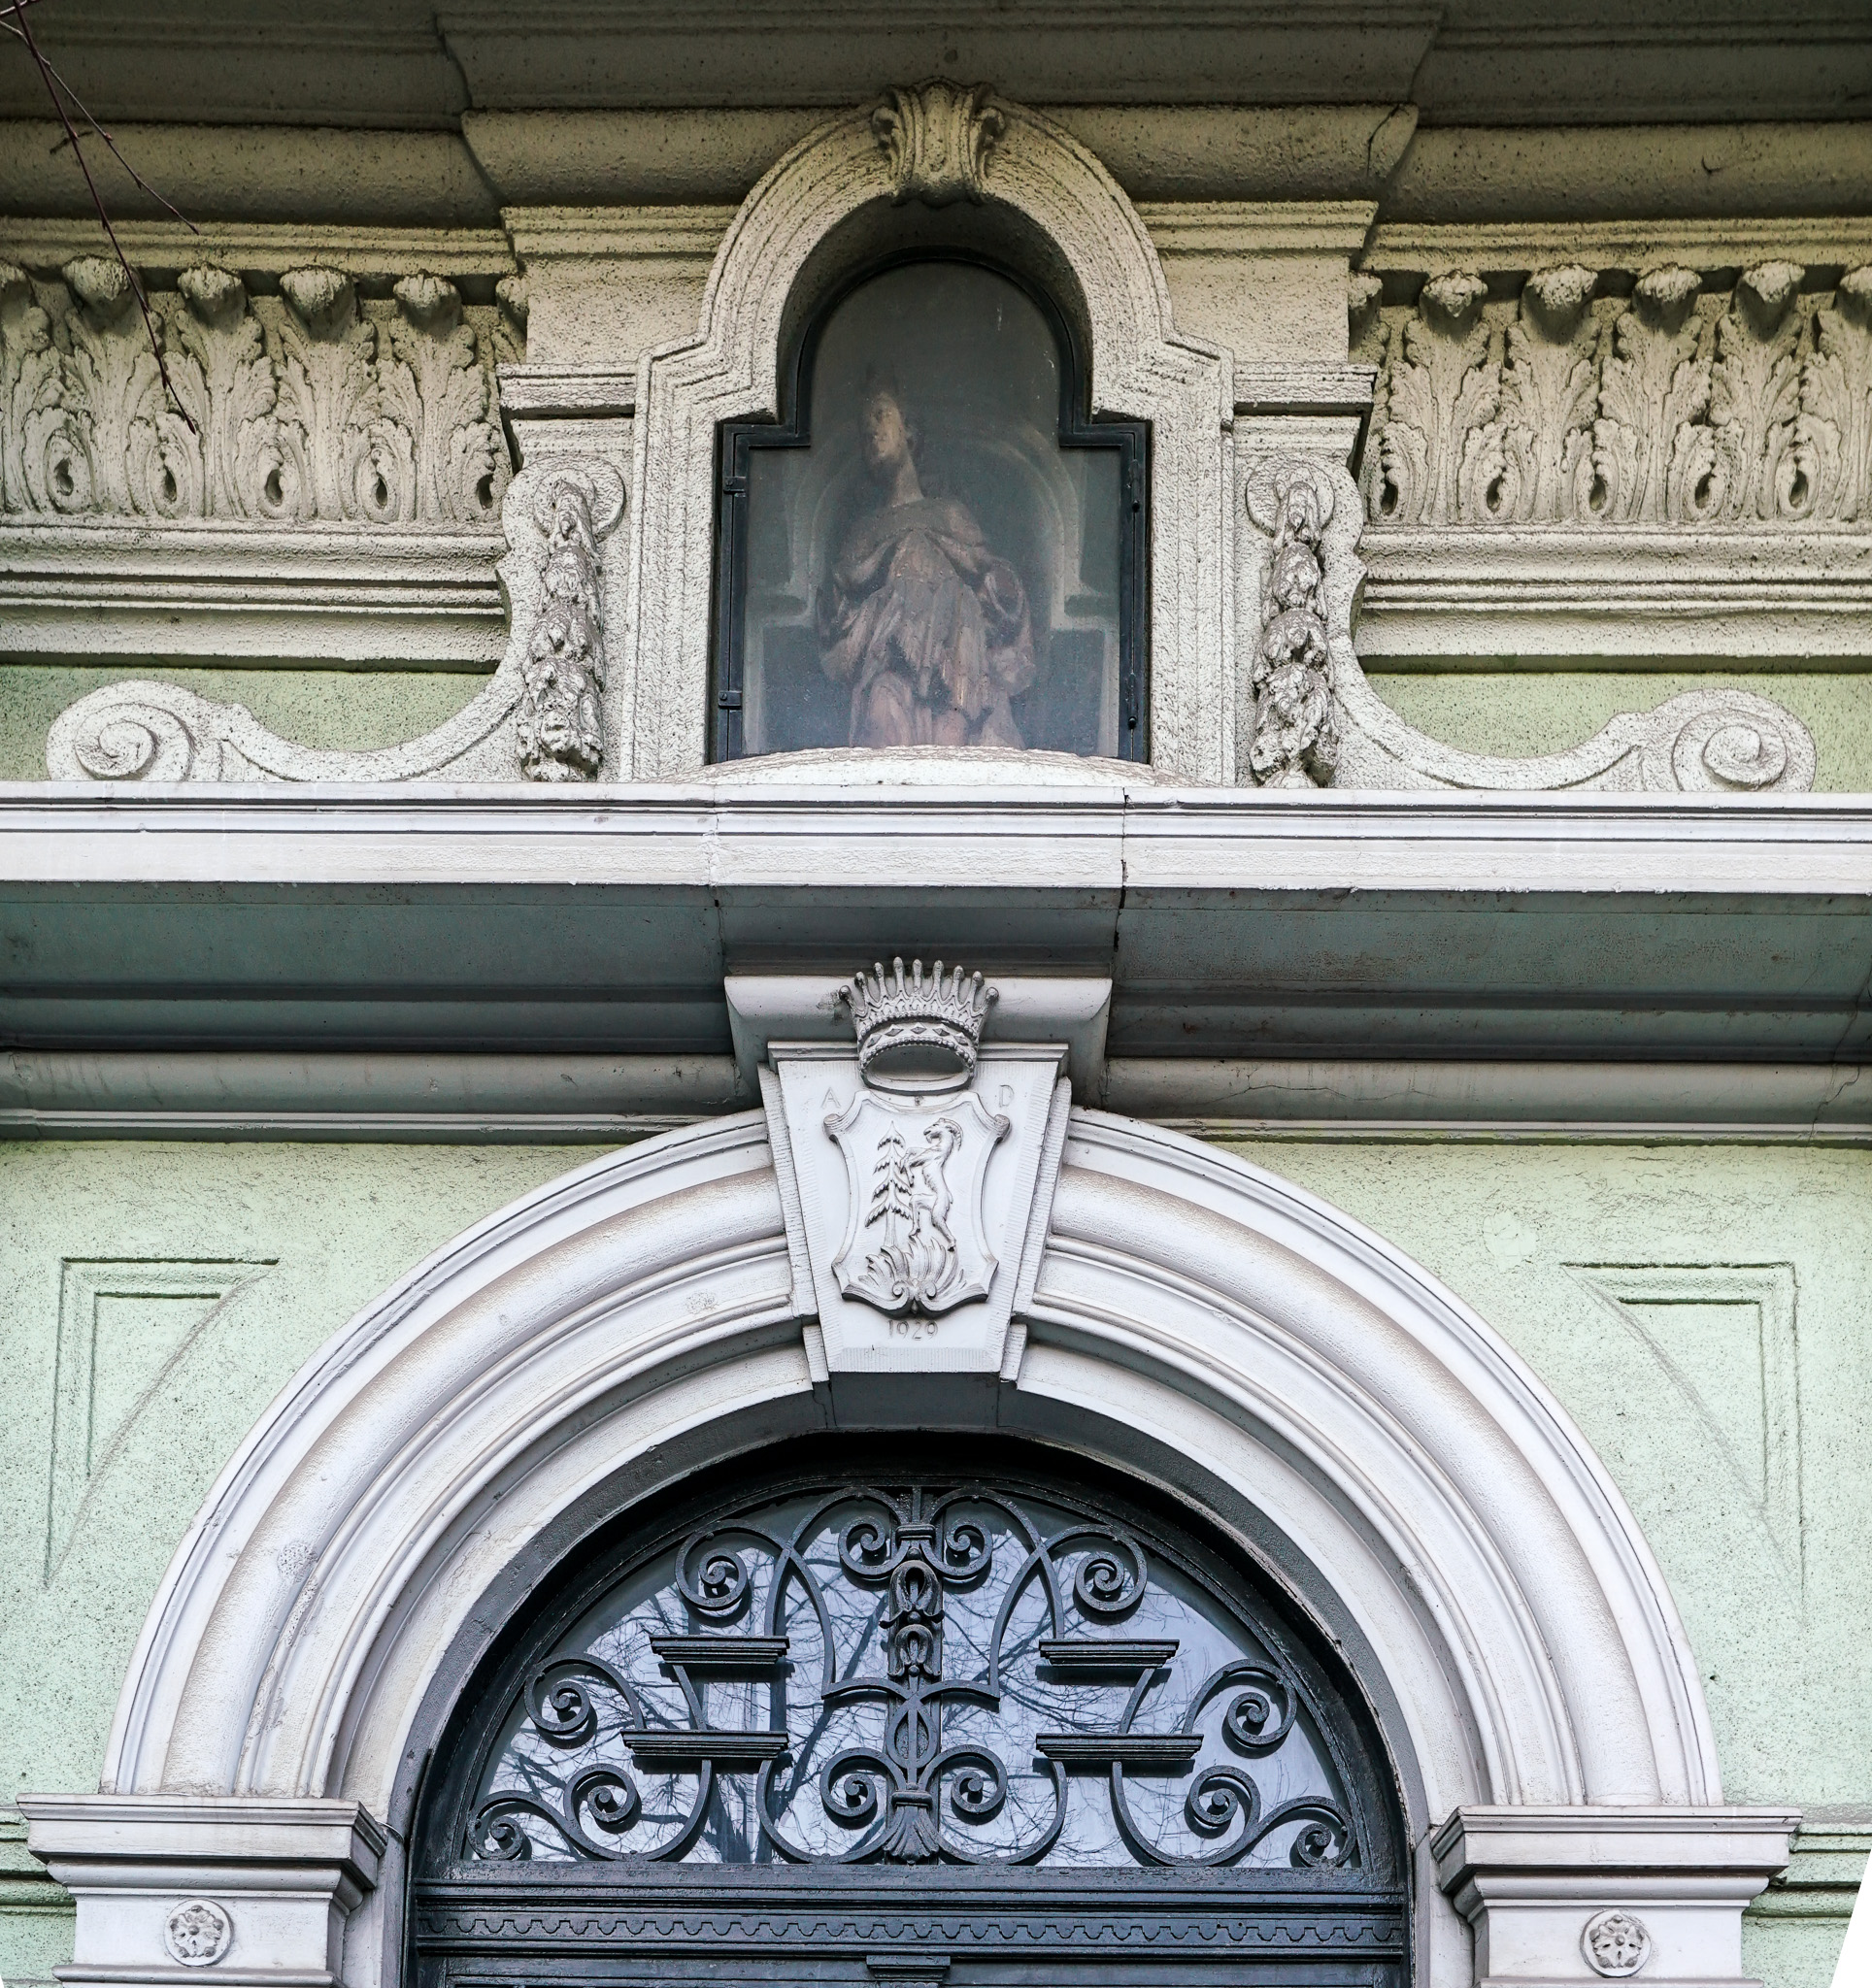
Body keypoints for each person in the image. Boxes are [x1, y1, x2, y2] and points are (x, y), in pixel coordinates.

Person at [818, 381, 1035, 747]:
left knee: (954, 735)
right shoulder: (864, 531)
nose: (871, 430)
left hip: (955, 656)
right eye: (862, 427)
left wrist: (1000, 586)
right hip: (888, 654)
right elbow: (841, 612)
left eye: (881, 415)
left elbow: (989, 579)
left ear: (909, 432)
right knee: (883, 717)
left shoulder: (949, 515)